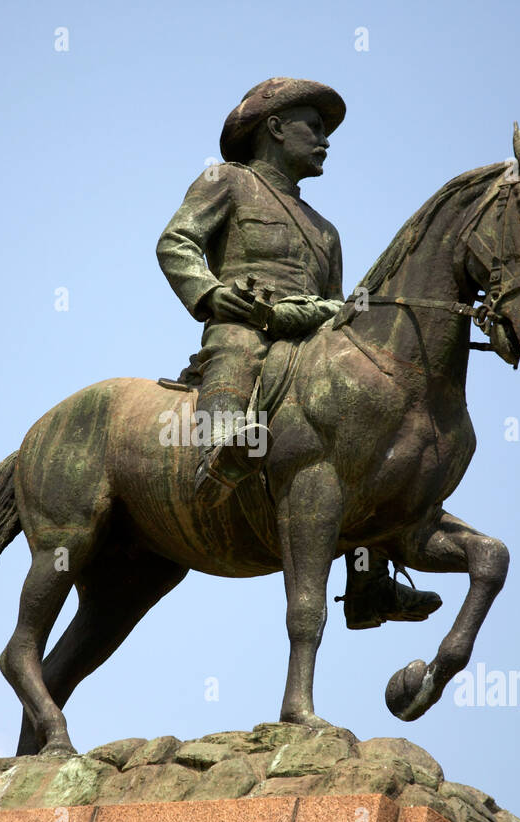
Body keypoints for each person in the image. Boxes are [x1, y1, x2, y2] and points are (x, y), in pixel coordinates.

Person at [156, 77, 441, 630]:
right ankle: (217, 456)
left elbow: (335, 304)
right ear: (276, 128)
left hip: (309, 333)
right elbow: (177, 242)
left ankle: (368, 581)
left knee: (365, 421)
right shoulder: (227, 181)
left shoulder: (325, 231)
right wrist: (215, 295)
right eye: (314, 127)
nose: (325, 141)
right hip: (243, 325)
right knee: (238, 353)